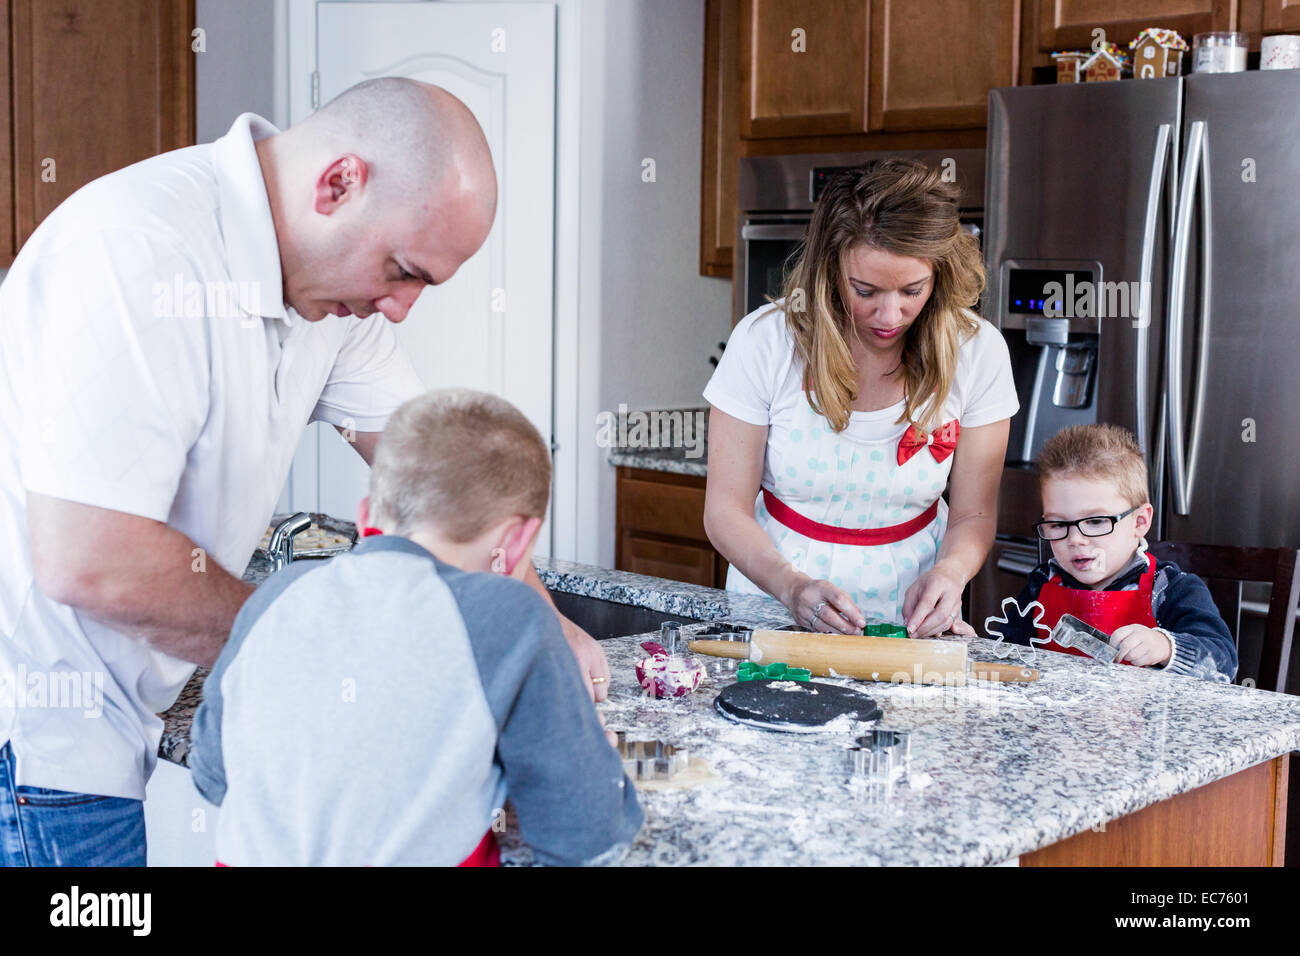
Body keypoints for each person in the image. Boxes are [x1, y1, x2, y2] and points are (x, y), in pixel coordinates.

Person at [0, 77, 606, 868]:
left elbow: (442, 473)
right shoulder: (138, 250)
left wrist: (538, 622)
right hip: (40, 732)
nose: (401, 308)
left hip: (115, 714)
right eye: (403, 270)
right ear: (338, 184)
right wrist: (323, 644)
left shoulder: (332, 301)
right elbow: (89, 558)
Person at [189, 389, 641, 866]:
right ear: (515, 540)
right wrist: (588, 759)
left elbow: (212, 773)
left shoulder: (278, 594)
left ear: (366, 518)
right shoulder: (509, 615)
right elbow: (585, 835)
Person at [704, 159, 1019, 638]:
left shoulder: (978, 351)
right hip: (774, 601)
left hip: (911, 614)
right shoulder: (767, 341)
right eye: (865, 290)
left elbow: (975, 513)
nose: (890, 314)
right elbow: (724, 511)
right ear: (831, 270)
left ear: (941, 272)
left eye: (913, 289)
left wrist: (950, 574)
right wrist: (791, 588)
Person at [998, 424, 1236, 681]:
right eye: (1058, 524)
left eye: (1097, 521)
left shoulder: (1170, 589)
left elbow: (1223, 665)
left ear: (1139, 522)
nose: (1076, 540)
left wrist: (1164, 648)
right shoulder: (1042, 584)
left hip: (1146, 719)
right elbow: (1006, 654)